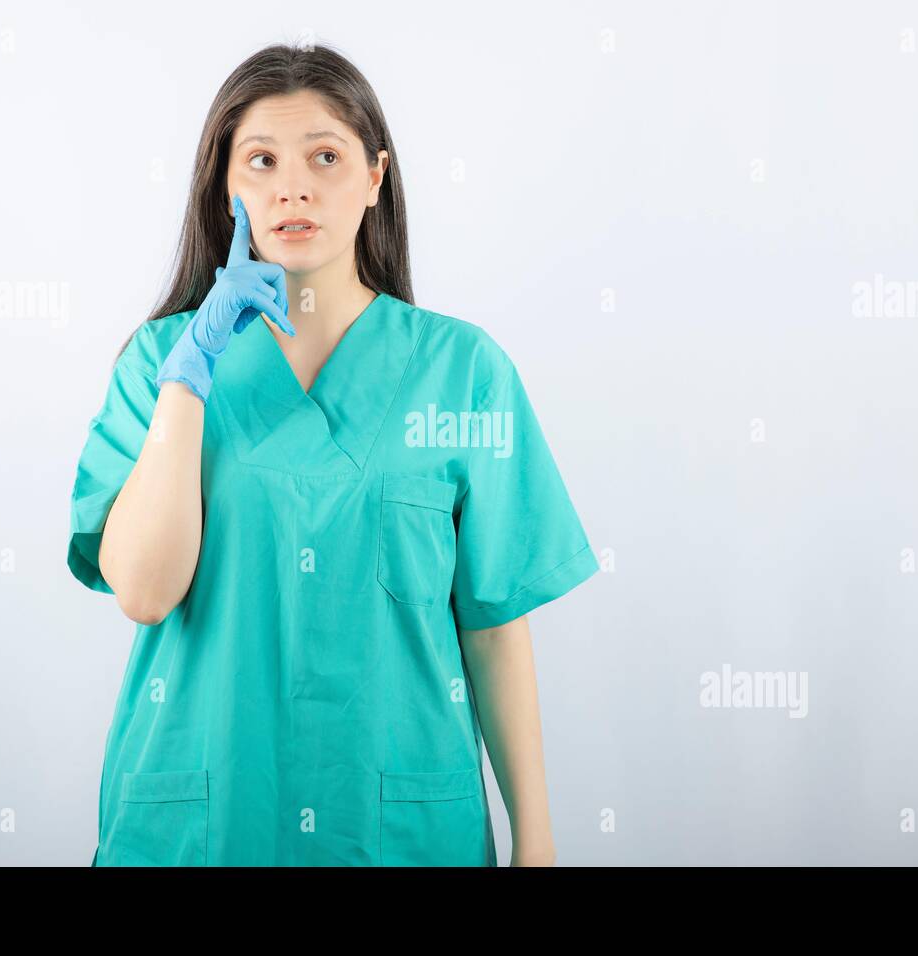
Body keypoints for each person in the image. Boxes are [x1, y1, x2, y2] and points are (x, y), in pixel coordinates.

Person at [66, 41, 599, 866]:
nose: (293, 186)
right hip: (201, 819)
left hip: (399, 824)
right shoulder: (160, 364)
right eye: (261, 160)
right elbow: (142, 590)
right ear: (224, 186)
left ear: (376, 177)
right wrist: (189, 380)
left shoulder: (463, 372)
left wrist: (538, 840)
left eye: (325, 156)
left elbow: (493, 627)